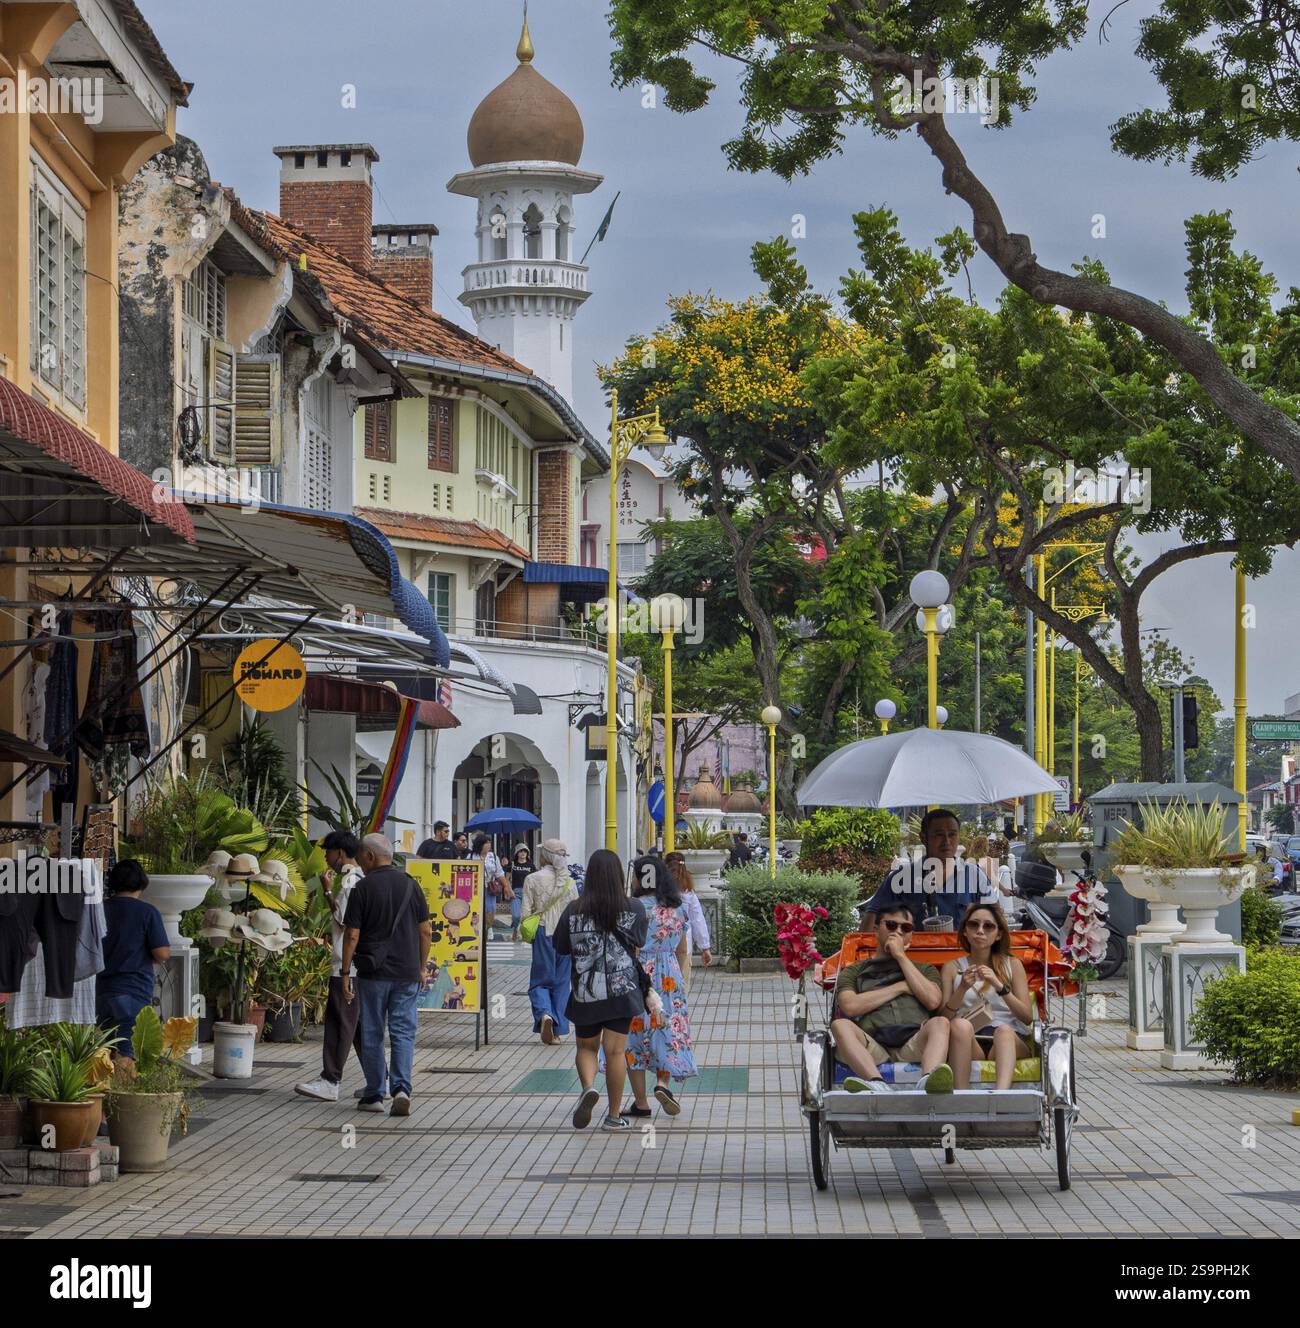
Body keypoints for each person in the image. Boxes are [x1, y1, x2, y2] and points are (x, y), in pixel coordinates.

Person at [551, 848, 647, 1132]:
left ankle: (589, 1088)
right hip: (622, 992)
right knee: (616, 1053)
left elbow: (560, 946)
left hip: (585, 993)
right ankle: (614, 1116)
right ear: (618, 875)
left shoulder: (574, 910)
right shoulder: (635, 908)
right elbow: (639, 941)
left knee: (586, 1047)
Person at [341, 833, 432, 1117]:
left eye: (360, 860)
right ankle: (402, 1089)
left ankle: (374, 1094)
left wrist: (345, 972)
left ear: (369, 856)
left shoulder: (362, 889)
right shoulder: (410, 886)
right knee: (404, 1031)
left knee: (372, 1032)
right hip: (406, 972)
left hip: (373, 973)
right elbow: (426, 930)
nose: (360, 865)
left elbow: (352, 934)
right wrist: (421, 966)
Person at [829, 903, 954, 1093]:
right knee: (840, 1025)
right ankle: (876, 1083)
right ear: (876, 930)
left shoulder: (924, 969)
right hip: (873, 1044)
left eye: (906, 928)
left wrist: (900, 956)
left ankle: (927, 1081)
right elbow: (850, 1006)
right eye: (891, 925)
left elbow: (933, 1001)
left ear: (911, 935)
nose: (898, 932)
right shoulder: (855, 971)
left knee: (940, 1023)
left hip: (913, 1042)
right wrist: (900, 987)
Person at [620, 856, 697, 1118]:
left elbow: (630, 947)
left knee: (635, 1035)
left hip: (640, 975)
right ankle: (663, 1084)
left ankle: (641, 1103)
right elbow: (683, 949)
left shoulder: (633, 907)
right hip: (670, 975)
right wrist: (680, 979)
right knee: (666, 1028)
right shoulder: (677, 907)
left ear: (640, 878)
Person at [296, 831, 365, 1102]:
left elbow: (349, 928)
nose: (325, 857)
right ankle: (379, 1079)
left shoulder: (349, 883)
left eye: (328, 852)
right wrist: (327, 890)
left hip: (346, 965)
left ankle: (330, 1079)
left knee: (339, 1023)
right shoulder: (361, 880)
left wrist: (345, 970)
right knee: (358, 1026)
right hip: (359, 966)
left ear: (340, 852)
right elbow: (343, 917)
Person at [941, 903, 1035, 1091]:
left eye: (988, 926)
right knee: (958, 1025)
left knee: (1004, 1032)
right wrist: (962, 989)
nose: (980, 931)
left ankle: (1001, 1097)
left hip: (1009, 1039)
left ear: (998, 934)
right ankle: (961, 1097)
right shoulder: (952, 968)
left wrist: (999, 986)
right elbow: (943, 1018)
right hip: (969, 1040)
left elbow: (1027, 1017)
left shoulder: (1013, 965)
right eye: (974, 925)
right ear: (965, 931)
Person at [861, 808, 997, 929]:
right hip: (913, 956)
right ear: (923, 837)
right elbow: (869, 924)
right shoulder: (901, 878)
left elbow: (995, 920)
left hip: (963, 956)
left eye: (952, 834)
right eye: (939, 834)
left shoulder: (974, 876)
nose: (947, 842)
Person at [96, 860, 168, 1058]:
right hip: (133, 989)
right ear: (141, 883)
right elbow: (161, 953)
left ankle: (108, 1087)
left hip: (101, 991)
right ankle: (123, 1087)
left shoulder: (99, 909)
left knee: (106, 1053)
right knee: (126, 1054)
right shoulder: (147, 912)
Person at [522, 839, 579, 1043]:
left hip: (543, 932)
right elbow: (576, 913)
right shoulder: (570, 883)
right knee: (562, 983)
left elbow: (525, 913)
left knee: (540, 981)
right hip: (566, 936)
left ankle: (545, 1014)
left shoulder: (532, 879)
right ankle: (557, 1031)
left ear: (544, 856)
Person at [665, 852, 712, 992]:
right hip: (684, 946)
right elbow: (697, 919)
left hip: (660, 947)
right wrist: (705, 947)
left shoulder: (658, 891)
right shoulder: (688, 892)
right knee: (681, 988)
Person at [473, 834, 509, 939]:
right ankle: (478, 928)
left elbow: (499, 873)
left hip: (490, 886)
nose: (489, 845)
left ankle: (489, 927)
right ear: (480, 844)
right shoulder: (471, 856)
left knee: (491, 909)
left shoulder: (493, 856)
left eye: (489, 842)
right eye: (486, 843)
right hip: (476, 886)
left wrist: (506, 886)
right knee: (477, 909)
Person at [508, 842, 534, 943]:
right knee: (516, 915)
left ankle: (523, 933)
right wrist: (509, 890)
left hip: (528, 893)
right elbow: (507, 879)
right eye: (521, 851)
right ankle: (515, 929)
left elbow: (535, 880)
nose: (523, 853)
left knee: (527, 916)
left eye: (525, 851)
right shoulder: (513, 865)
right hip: (516, 893)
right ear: (517, 853)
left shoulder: (531, 865)